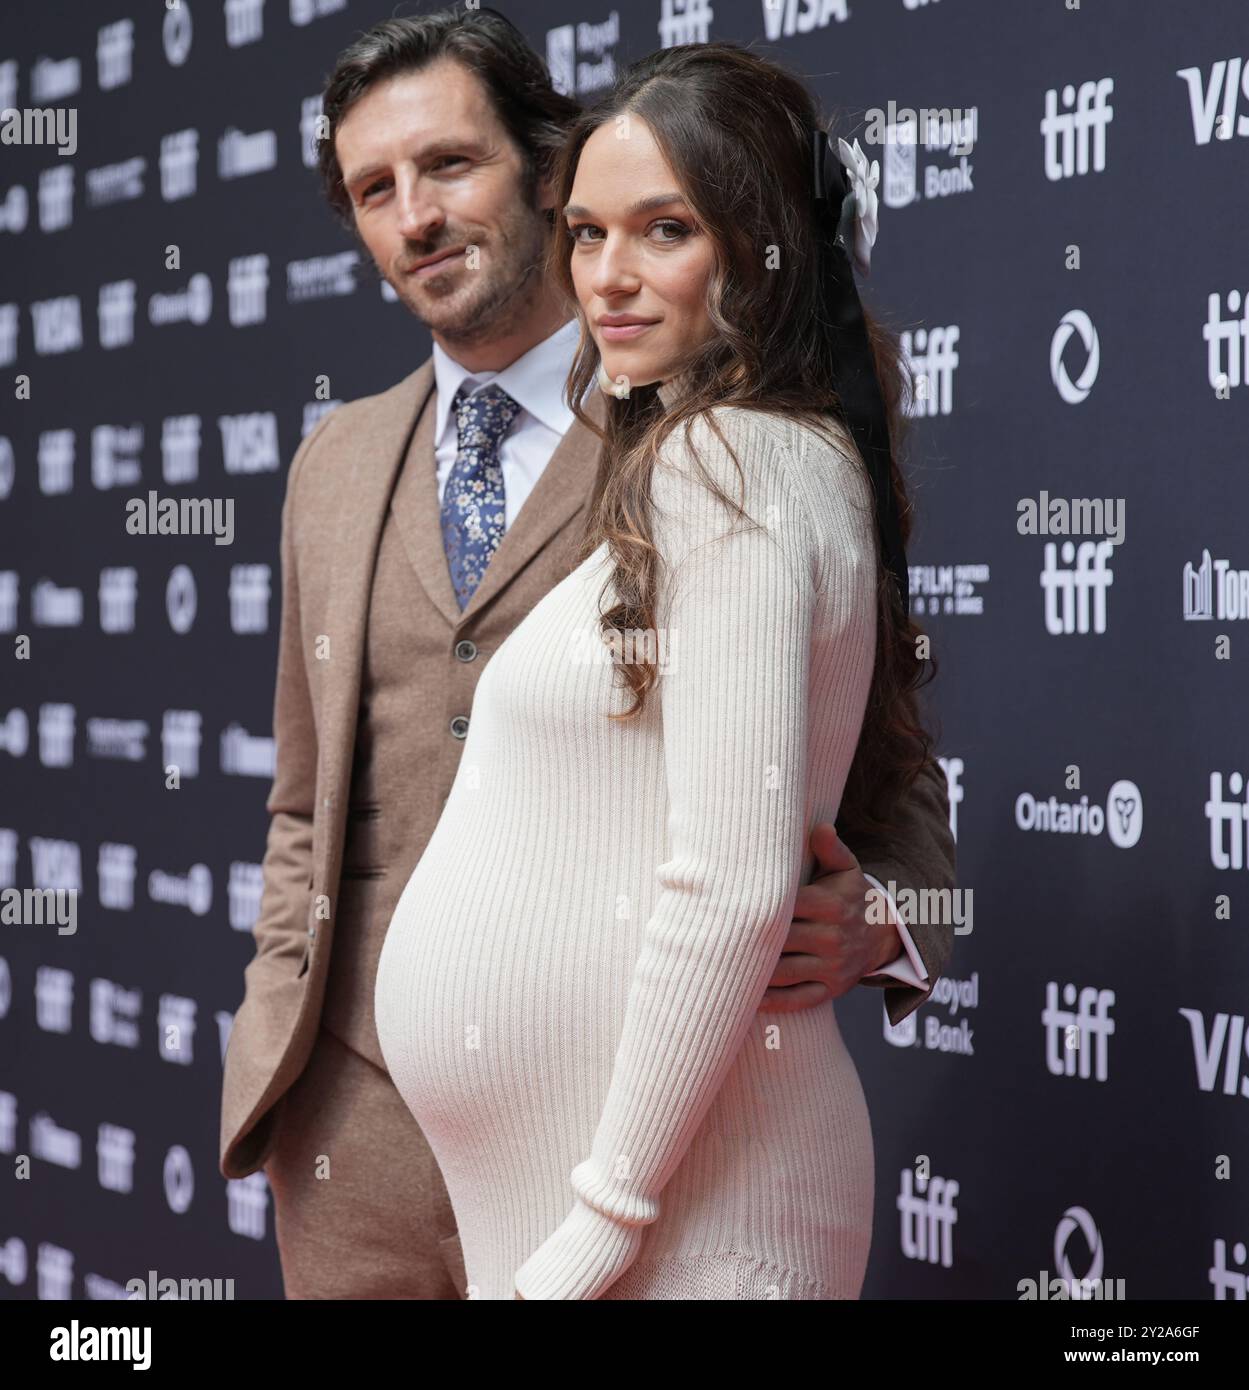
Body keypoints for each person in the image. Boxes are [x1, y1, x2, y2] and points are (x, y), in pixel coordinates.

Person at [218, 9, 955, 1301]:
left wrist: (888, 921)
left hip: (635, 1128)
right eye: (373, 189)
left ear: (545, 164)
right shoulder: (331, 465)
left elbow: (883, 754)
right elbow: (304, 800)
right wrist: (278, 1046)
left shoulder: (706, 414)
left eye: (448, 165)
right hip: (351, 1130)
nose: (415, 217)